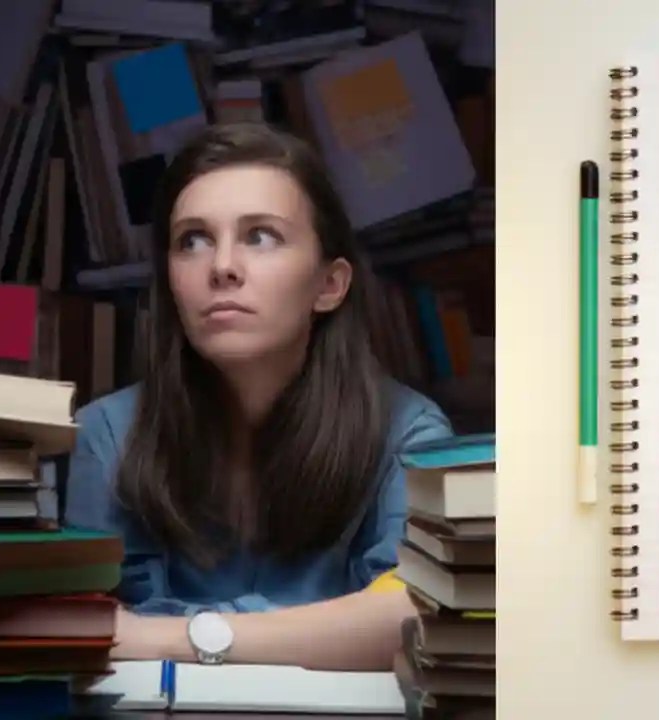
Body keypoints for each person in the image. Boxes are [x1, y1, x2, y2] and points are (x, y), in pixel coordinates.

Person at [64, 123, 453, 672]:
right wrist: (326, 631)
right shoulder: (108, 432)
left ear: (330, 285)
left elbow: (415, 614)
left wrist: (179, 637)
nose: (221, 266)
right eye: (192, 240)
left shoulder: (408, 433)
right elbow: (86, 625)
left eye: (260, 235)